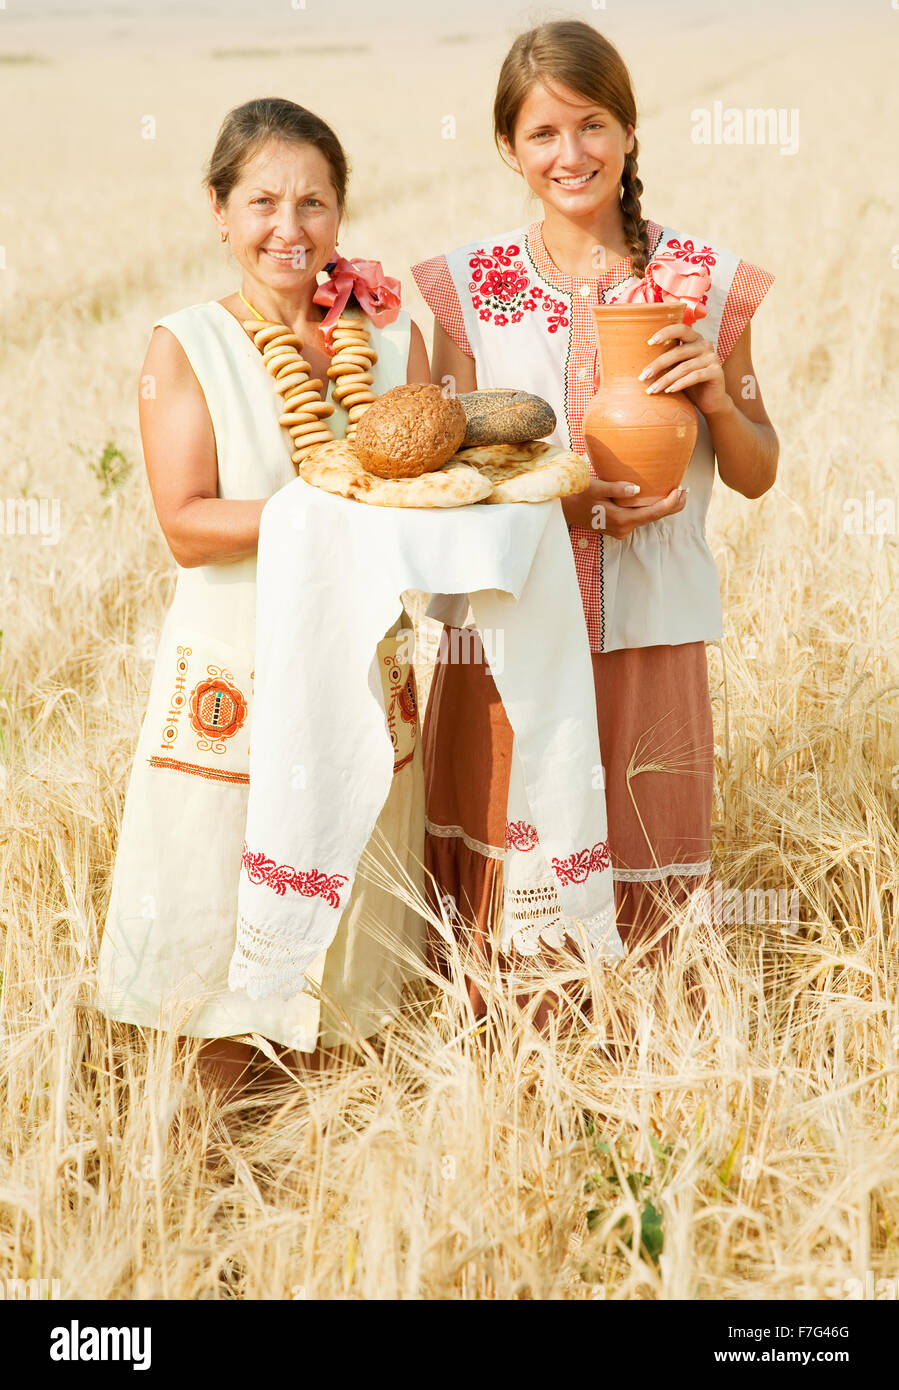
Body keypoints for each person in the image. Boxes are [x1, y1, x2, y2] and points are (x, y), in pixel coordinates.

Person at [411, 21, 778, 1021]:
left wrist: (712, 395)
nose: (568, 155)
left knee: (645, 851)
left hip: (648, 626)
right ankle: (506, 1084)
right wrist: (549, 494)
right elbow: (422, 476)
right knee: (507, 870)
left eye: (590, 125)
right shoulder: (461, 292)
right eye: (541, 134)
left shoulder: (701, 280)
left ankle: (646, 1073)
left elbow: (756, 471)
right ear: (507, 147)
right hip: (496, 626)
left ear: (626, 130)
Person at [92, 98, 431, 1098]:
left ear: (341, 210)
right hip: (235, 675)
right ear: (218, 208)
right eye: (262, 201)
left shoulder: (386, 333)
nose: (289, 228)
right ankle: (198, 1205)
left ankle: (328, 1210)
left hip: (360, 671)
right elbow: (186, 522)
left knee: (351, 958)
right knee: (222, 964)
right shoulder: (186, 345)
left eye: (314, 203)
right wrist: (320, 509)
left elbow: (417, 489)